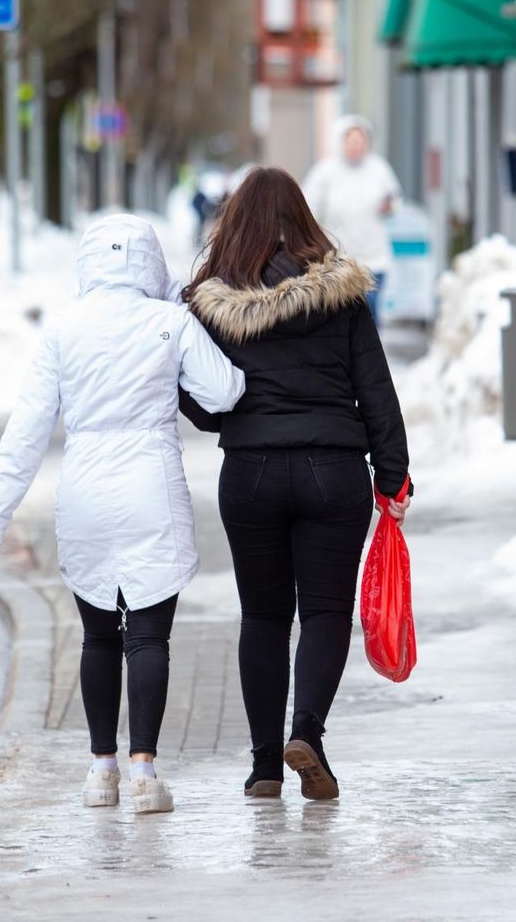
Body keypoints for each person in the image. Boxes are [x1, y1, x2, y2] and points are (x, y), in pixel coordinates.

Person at [0, 214, 245, 815]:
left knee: (98, 634)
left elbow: (26, 432)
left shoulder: (63, 332)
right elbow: (224, 392)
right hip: (152, 483)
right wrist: (181, 318)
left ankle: (100, 769)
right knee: (148, 635)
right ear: (152, 263)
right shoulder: (171, 322)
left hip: (86, 489)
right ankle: (144, 769)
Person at [180, 167, 412, 802]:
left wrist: (237, 411)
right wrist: (392, 472)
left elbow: (200, 406)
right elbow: (376, 390)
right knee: (325, 612)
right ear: (306, 219)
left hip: (249, 473)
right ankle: (306, 731)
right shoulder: (342, 295)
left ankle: (262, 768)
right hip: (332, 469)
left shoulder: (209, 303)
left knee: (262, 615)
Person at [301, 115, 402, 327]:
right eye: (351, 141)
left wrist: (389, 207)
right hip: (339, 256)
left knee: (370, 308)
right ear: (342, 142)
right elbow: (307, 206)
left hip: (374, 257)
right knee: (342, 311)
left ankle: (372, 355)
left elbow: (395, 200)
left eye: (360, 141)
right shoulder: (325, 172)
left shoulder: (379, 169)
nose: (356, 146)